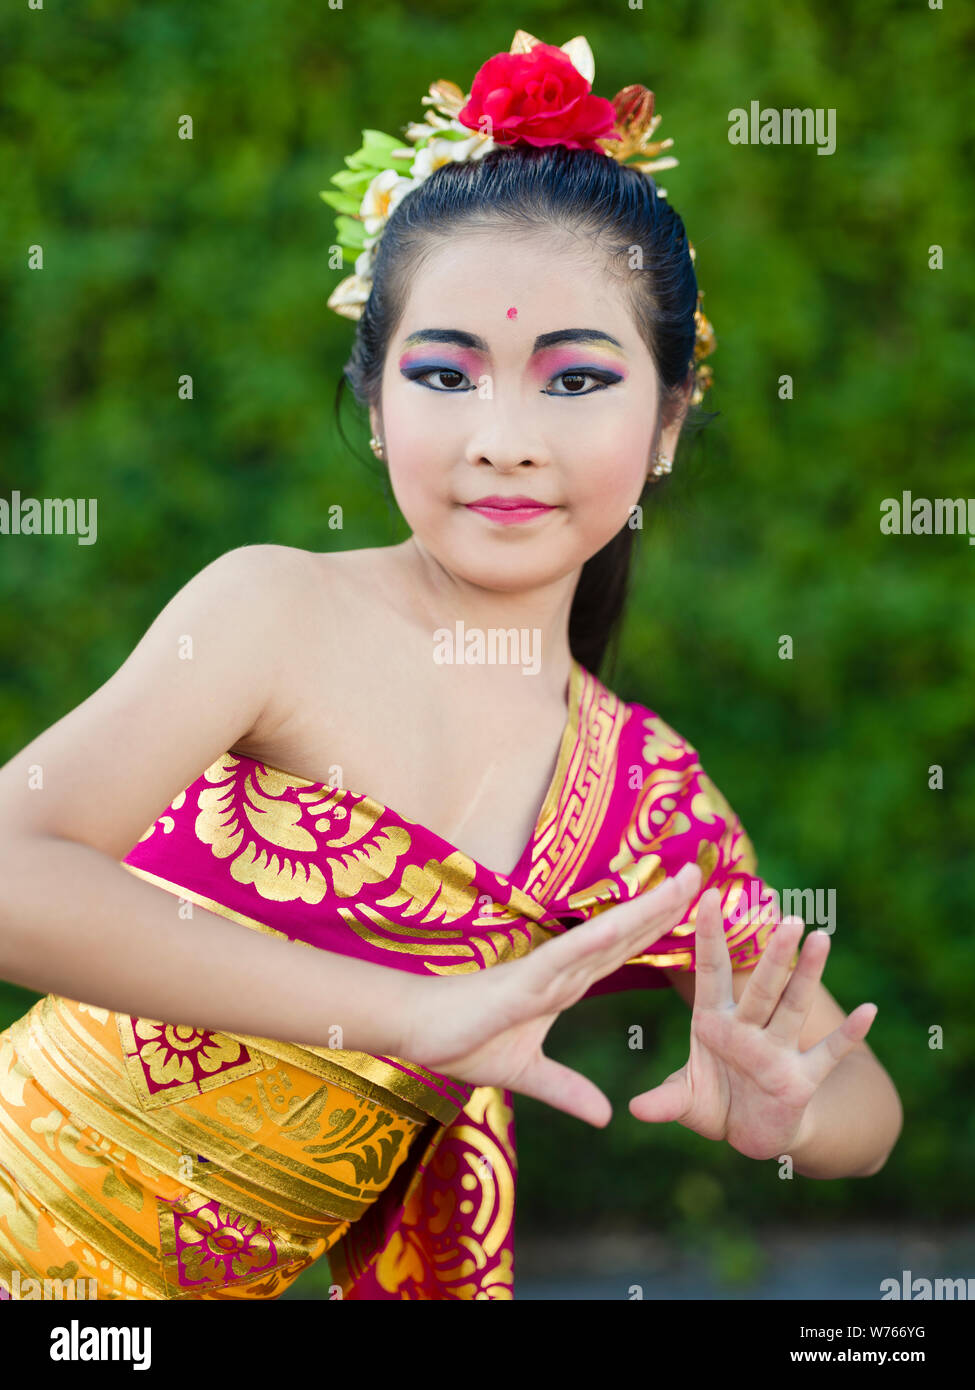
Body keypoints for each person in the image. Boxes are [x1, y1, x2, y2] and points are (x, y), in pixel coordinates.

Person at [0, 31, 901, 1302]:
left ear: (667, 426)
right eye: (446, 373)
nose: (506, 440)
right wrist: (408, 1015)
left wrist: (791, 1114)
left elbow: (861, 1097)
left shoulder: (646, 796)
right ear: (376, 405)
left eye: (577, 377)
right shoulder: (275, 609)